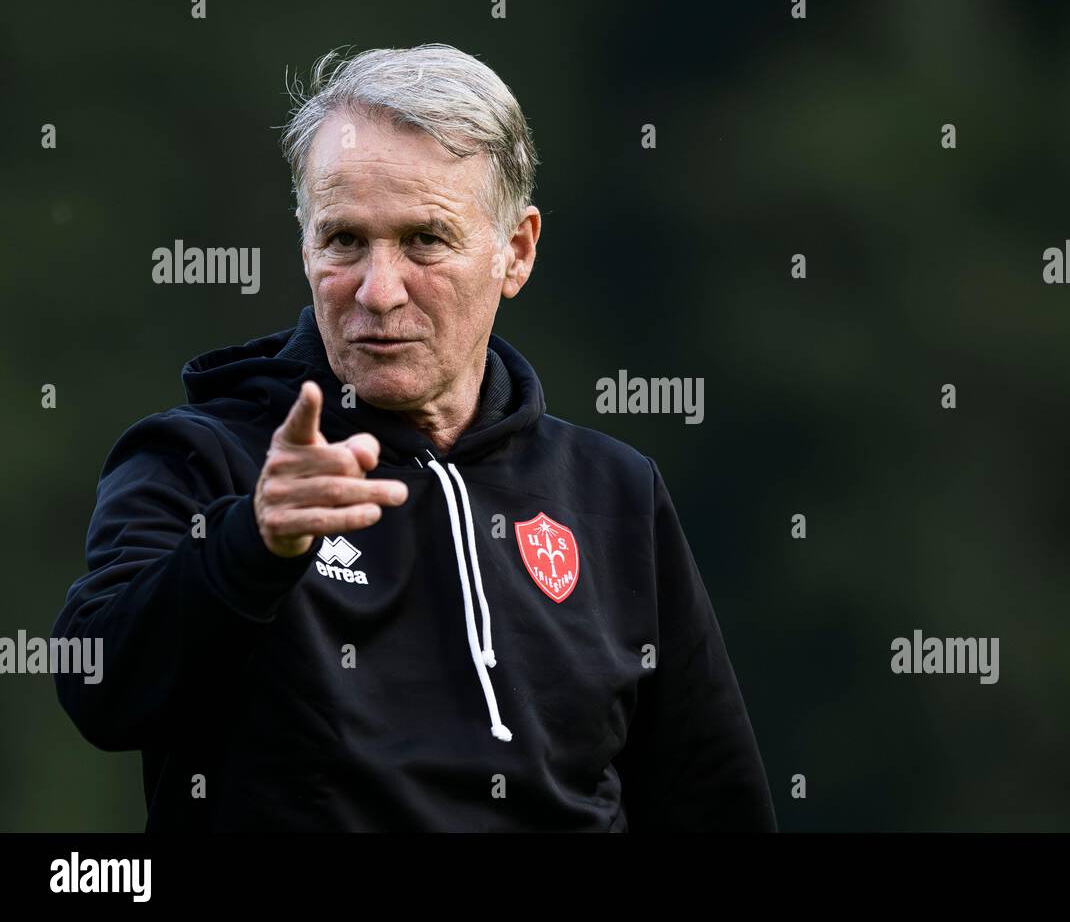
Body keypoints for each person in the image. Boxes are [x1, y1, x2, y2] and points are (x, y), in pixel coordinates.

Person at [53, 44, 776, 832]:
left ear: (517, 251)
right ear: (304, 244)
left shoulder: (614, 492)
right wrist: (247, 549)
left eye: (425, 240)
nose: (379, 290)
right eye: (345, 241)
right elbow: (99, 689)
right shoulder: (202, 460)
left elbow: (711, 798)